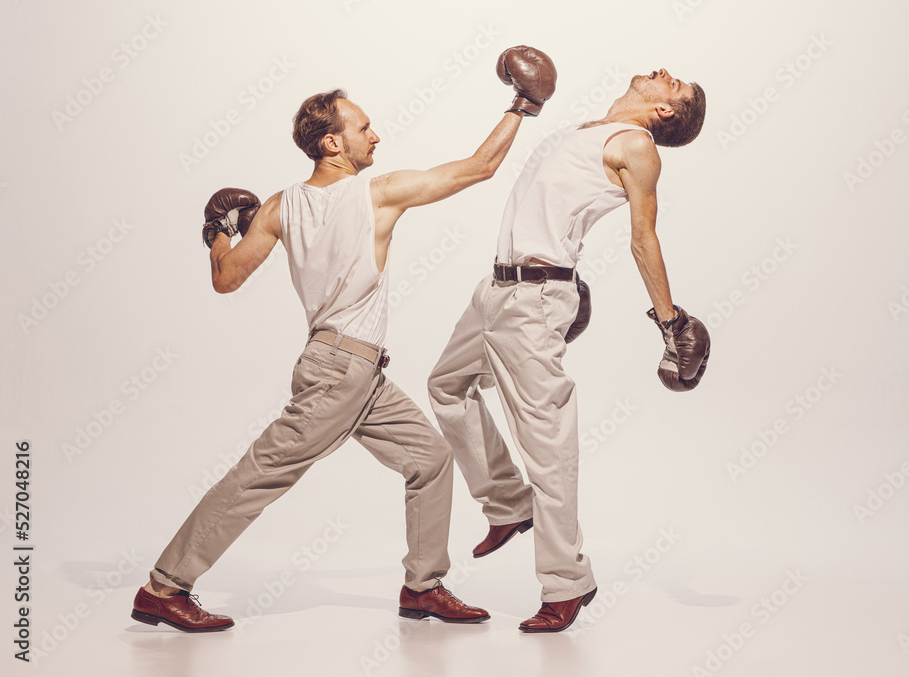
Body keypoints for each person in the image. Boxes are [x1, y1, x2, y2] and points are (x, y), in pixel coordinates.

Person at [130, 46, 557, 632]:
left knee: (430, 460)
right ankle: (164, 587)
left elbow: (225, 277)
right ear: (332, 143)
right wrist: (523, 105)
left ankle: (423, 586)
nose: (375, 136)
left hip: (357, 373)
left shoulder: (279, 206)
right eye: (362, 128)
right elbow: (478, 167)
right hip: (338, 373)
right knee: (258, 476)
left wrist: (216, 234)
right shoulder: (375, 194)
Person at [427, 67, 709, 633]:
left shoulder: (637, 145)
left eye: (674, 85)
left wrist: (670, 320)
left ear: (663, 113)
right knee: (446, 387)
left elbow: (642, 235)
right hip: (496, 291)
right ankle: (509, 504)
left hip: (534, 296)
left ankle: (567, 583)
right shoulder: (588, 129)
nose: (663, 72)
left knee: (547, 442)